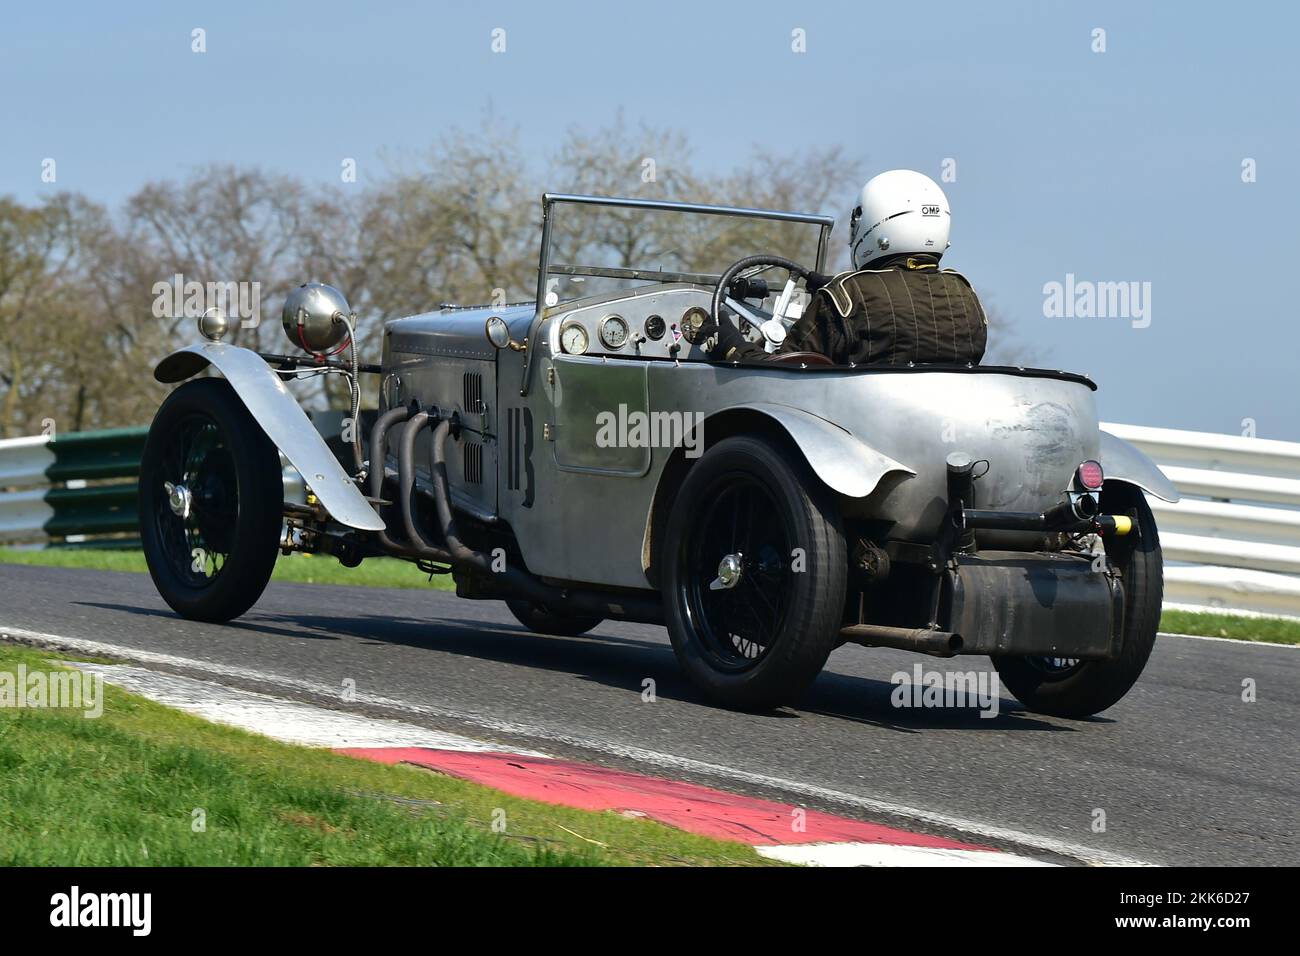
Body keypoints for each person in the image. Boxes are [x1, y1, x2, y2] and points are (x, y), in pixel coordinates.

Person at [709, 169, 988, 366]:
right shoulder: (965, 297)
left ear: (877, 226)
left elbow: (786, 370)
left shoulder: (848, 296)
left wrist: (733, 345)